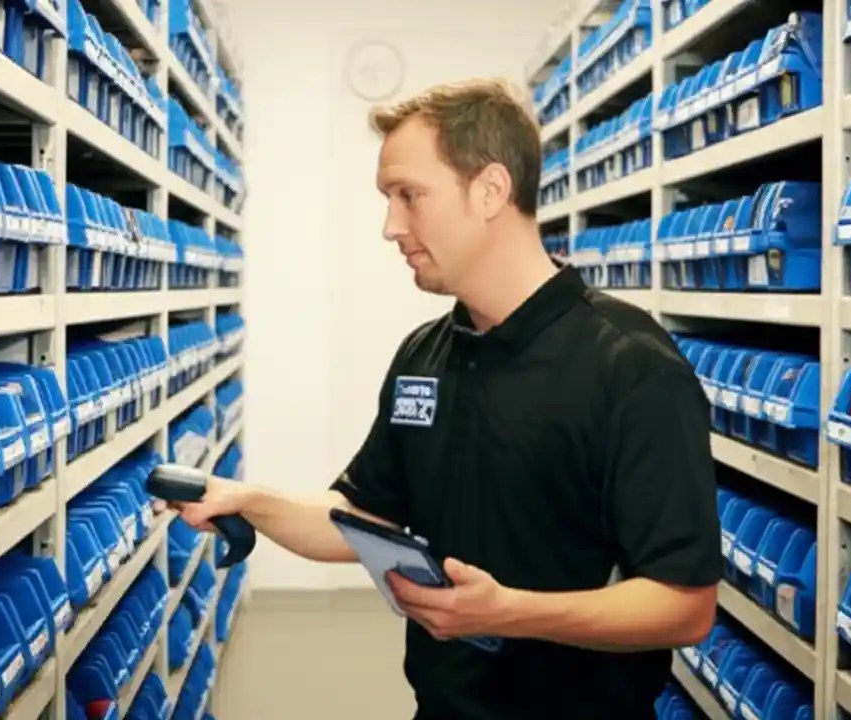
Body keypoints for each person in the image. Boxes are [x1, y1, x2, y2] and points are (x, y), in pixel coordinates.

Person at [169, 77, 721, 718]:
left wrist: (511, 612)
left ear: (490, 191)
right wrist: (251, 501)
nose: (389, 226)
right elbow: (363, 515)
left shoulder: (629, 366)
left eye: (409, 196)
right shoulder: (425, 356)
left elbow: (685, 606)